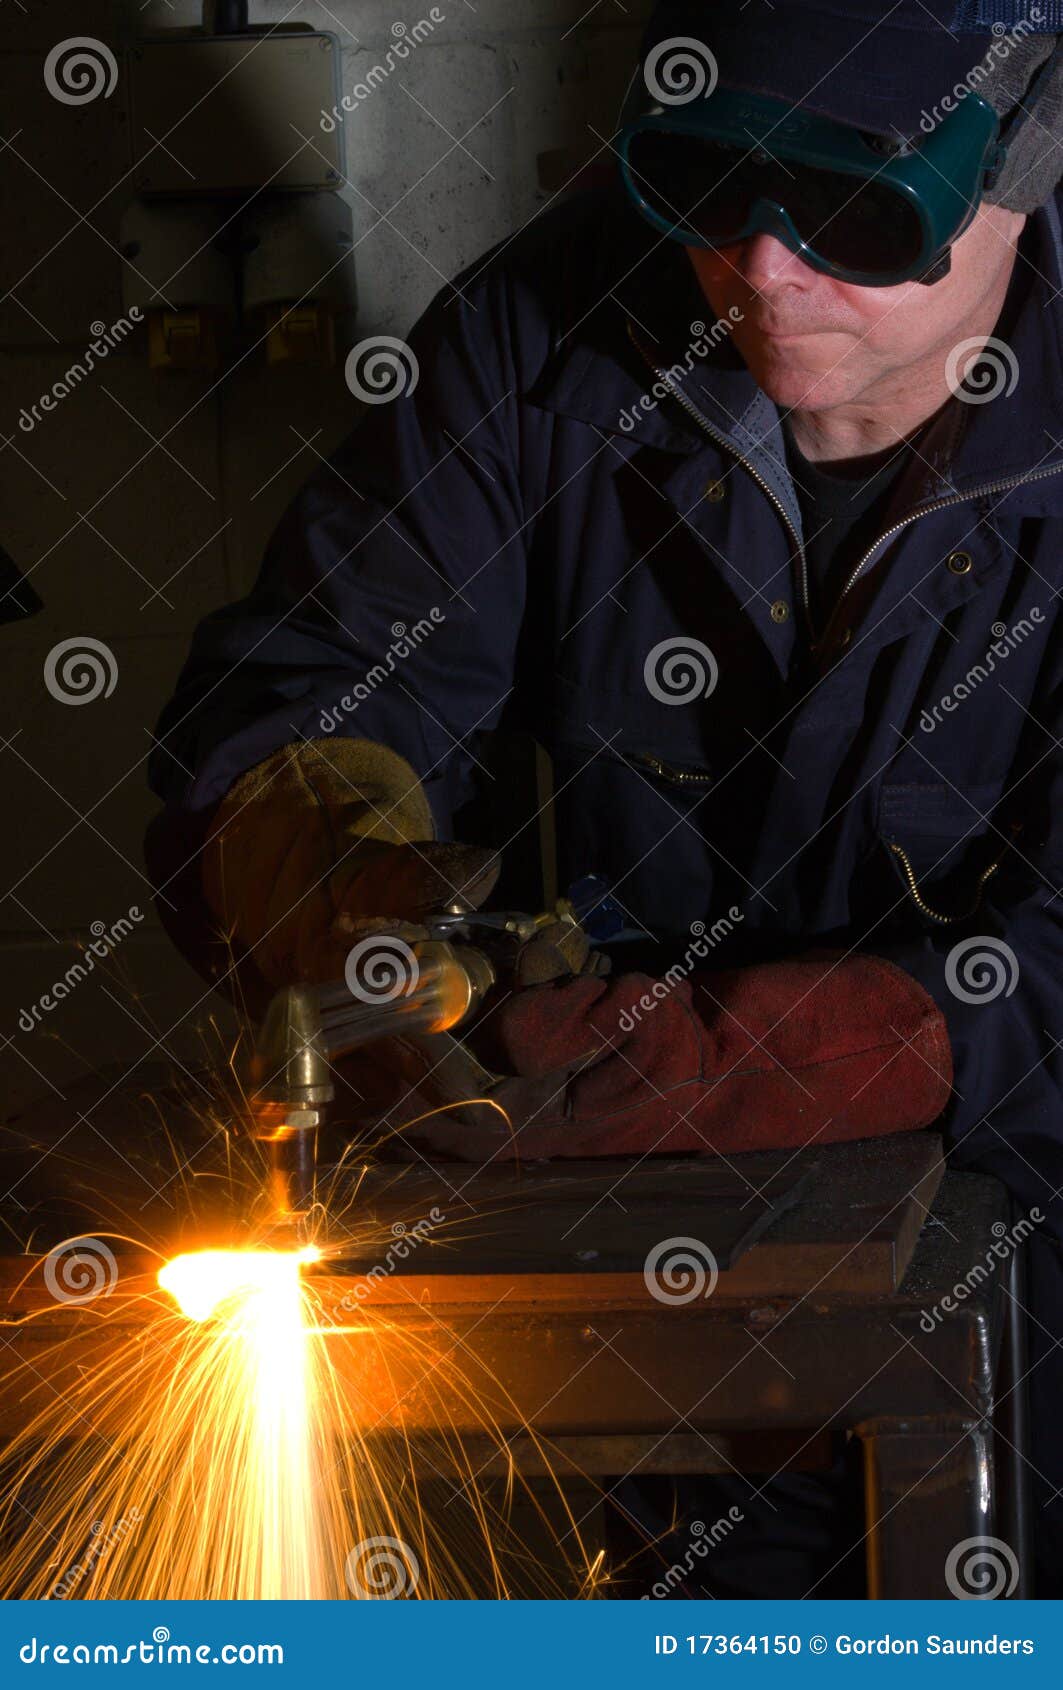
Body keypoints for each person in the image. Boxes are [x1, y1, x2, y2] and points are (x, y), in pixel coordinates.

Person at [147, 0, 1063, 1595]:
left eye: (853, 206)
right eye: (716, 189)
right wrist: (332, 868)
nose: (763, 273)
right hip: (620, 1315)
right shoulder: (543, 336)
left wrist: (816, 1049)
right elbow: (312, 681)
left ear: (1028, 159)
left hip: (1017, 1322)